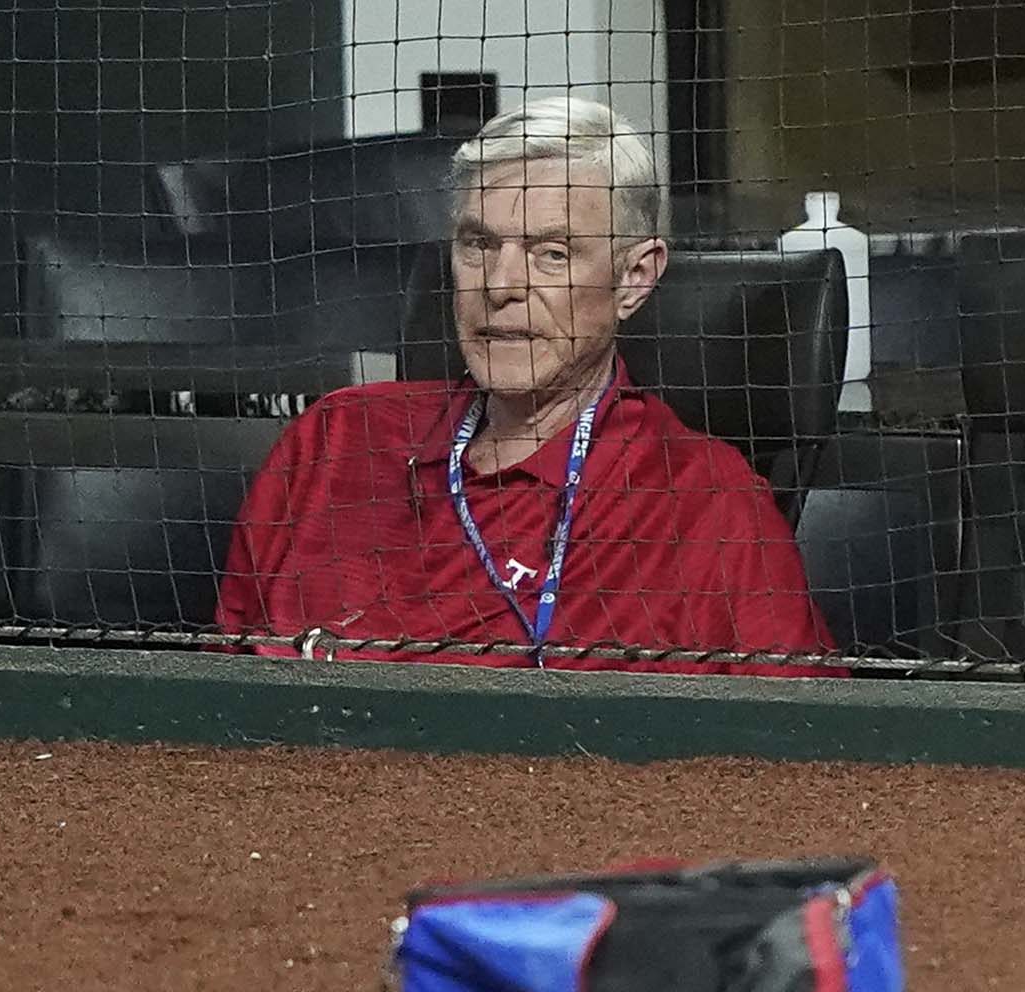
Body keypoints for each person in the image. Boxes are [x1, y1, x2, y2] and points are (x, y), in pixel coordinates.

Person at [215, 98, 837, 674]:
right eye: (479, 245)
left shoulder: (709, 505)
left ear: (635, 278)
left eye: (553, 254)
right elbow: (224, 689)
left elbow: (797, 751)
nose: (501, 285)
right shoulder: (334, 441)